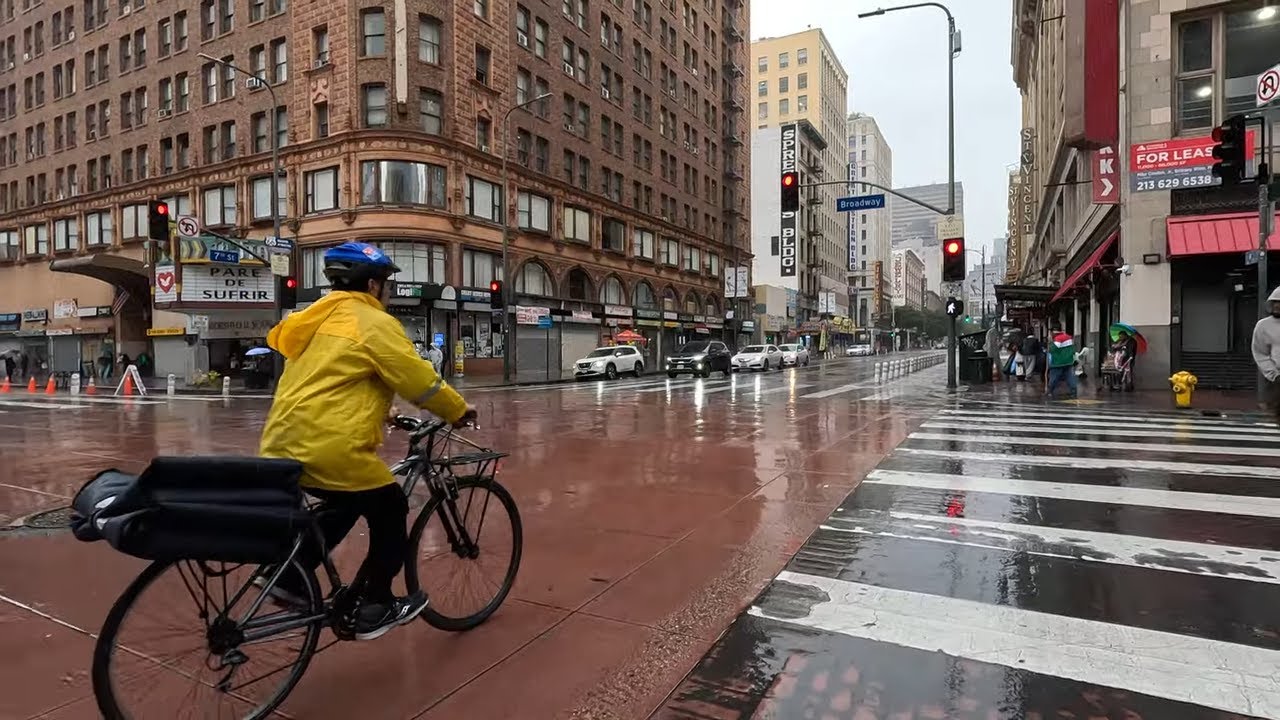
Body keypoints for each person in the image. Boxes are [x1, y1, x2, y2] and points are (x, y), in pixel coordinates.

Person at [258, 241, 477, 641]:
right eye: (387, 284)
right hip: (329, 446)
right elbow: (418, 380)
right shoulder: (372, 322)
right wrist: (458, 410)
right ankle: (376, 603)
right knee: (391, 507)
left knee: (348, 501)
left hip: (282, 439)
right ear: (374, 285)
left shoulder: (315, 317)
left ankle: (288, 576)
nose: (388, 292)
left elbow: (333, 380)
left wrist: (385, 411)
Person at [1252, 286, 1280, 420]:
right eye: (1275, 302)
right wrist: (1274, 375)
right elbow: (1260, 352)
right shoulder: (1263, 326)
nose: (1277, 306)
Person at [1044, 326, 1078, 399]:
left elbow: (1052, 349)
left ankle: (1049, 391)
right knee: (1070, 377)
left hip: (1058, 363)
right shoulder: (1069, 337)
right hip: (1068, 362)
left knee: (1054, 378)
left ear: (1053, 332)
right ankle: (1074, 392)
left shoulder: (1058, 339)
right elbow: (1072, 349)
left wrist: (1050, 342)